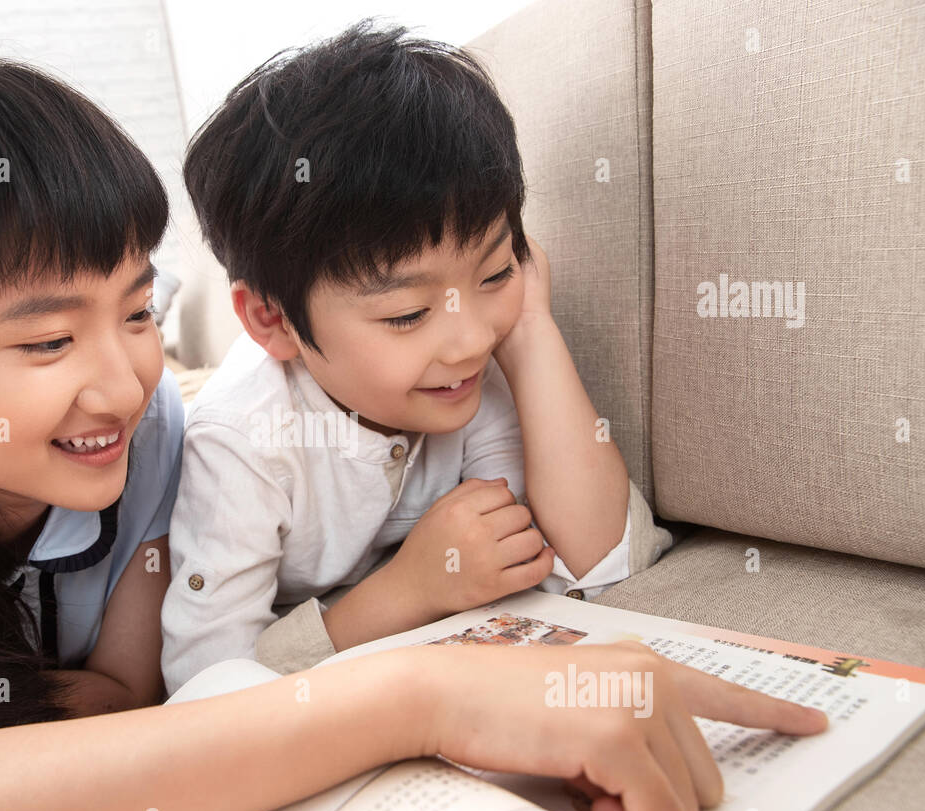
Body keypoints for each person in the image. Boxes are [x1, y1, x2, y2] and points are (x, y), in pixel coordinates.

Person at [0, 58, 828, 811]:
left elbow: (130, 693)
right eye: (48, 340)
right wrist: (427, 693)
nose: (122, 380)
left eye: (136, 310)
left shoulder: (152, 438)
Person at [161, 22, 673, 693]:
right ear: (272, 319)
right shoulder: (239, 442)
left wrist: (531, 333)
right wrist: (404, 592)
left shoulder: (474, 369)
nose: (470, 340)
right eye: (407, 314)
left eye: (495, 272)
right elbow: (202, 680)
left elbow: (601, 564)